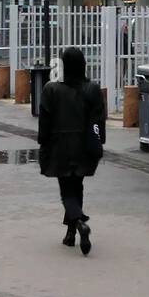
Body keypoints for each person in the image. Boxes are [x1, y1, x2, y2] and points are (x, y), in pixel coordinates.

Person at [37, 47, 105, 255]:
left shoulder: (52, 90)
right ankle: (70, 233)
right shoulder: (92, 89)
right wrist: (99, 142)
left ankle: (79, 223)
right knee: (78, 186)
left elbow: (45, 120)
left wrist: (43, 142)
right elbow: (99, 119)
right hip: (84, 145)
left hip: (60, 144)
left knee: (66, 189)